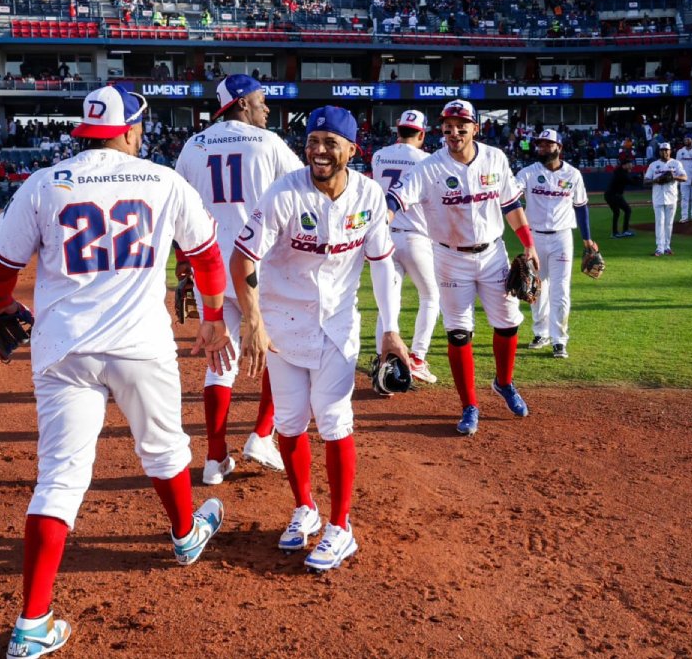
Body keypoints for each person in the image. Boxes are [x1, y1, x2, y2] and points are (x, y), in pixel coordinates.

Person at [0, 85, 233, 659]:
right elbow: (208, 257)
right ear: (132, 130)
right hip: (141, 343)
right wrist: (214, 318)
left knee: (60, 479)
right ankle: (185, 535)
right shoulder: (163, 180)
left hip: (64, 348)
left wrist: (0, 307)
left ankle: (32, 623)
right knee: (165, 450)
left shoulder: (45, 182)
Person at [230, 105, 410, 573]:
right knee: (289, 424)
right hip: (282, 323)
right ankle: (305, 507)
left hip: (337, 325)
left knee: (333, 419)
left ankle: (341, 525)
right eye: (313, 140)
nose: (319, 150)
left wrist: (390, 330)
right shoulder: (284, 193)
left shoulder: (369, 195)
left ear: (352, 149)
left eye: (331, 142)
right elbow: (243, 257)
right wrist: (253, 320)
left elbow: (384, 265)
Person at [174, 74, 304, 484]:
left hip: (210, 266)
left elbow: (180, 209)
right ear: (243, 103)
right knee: (280, 353)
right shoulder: (268, 143)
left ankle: (214, 459)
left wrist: (182, 261)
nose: (266, 108)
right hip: (258, 265)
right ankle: (262, 434)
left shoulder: (194, 145)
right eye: (261, 100)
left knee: (219, 362)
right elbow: (306, 191)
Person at [387, 99, 538, 436]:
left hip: (493, 253)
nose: (454, 132)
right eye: (448, 126)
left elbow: (511, 204)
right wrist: (382, 218)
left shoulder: (495, 158)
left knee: (509, 325)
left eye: (461, 126)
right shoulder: (429, 167)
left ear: (475, 127)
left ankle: (504, 383)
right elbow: (397, 197)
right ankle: (470, 405)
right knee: (458, 332)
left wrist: (528, 243)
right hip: (450, 258)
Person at [369, 109, 438, 383]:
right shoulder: (428, 160)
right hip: (416, 236)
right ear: (421, 133)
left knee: (389, 303)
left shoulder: (378, 156)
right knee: (431, 297)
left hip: (384, 235)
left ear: (398, 130)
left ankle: (382, 361)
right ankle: (418, 358)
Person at [515, 130, 595, 360]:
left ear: (559, 147)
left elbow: (581, 206)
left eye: (547, 145)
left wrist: (587, 239)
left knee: (560, 291)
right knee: (536, 288)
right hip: (534, 238)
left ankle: (559, 340)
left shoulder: (573, 174)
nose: (542, 148)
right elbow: (511, 195)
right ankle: (541, 333)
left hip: (561, 238)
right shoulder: (528, 173)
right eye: (540, 145)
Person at [643, 142, 686, 256]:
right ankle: (659, 248)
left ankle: (667, 246)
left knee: (669, 223)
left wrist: (674, 177)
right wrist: (655, 180)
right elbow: (645, 180)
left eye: (666, 150)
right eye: (662, 150)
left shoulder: (676, 163)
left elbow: (685, 177)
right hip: (657, 198)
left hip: (672, 197)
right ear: (659, 151)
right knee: (659, 223)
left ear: (670, 151)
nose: (664, 152)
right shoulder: (653, 165)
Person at [605, 158, 636, 238]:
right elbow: (631, 182)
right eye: (629, 165)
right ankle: (624, 231)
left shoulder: (621, 171)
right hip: (614, 195)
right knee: (627, 210)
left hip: (611, 195)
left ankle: (615, 233)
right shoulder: (621, 173)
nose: (631, 167)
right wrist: (638, 178)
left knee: (617, 212)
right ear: (624, 165)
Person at [675, 136, 692, 223]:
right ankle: (684, 217)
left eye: (689, 139)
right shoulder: (680, 151)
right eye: (685, 139)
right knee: (684, 198)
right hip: (683, 178)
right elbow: (677, 165)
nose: (687, 141)